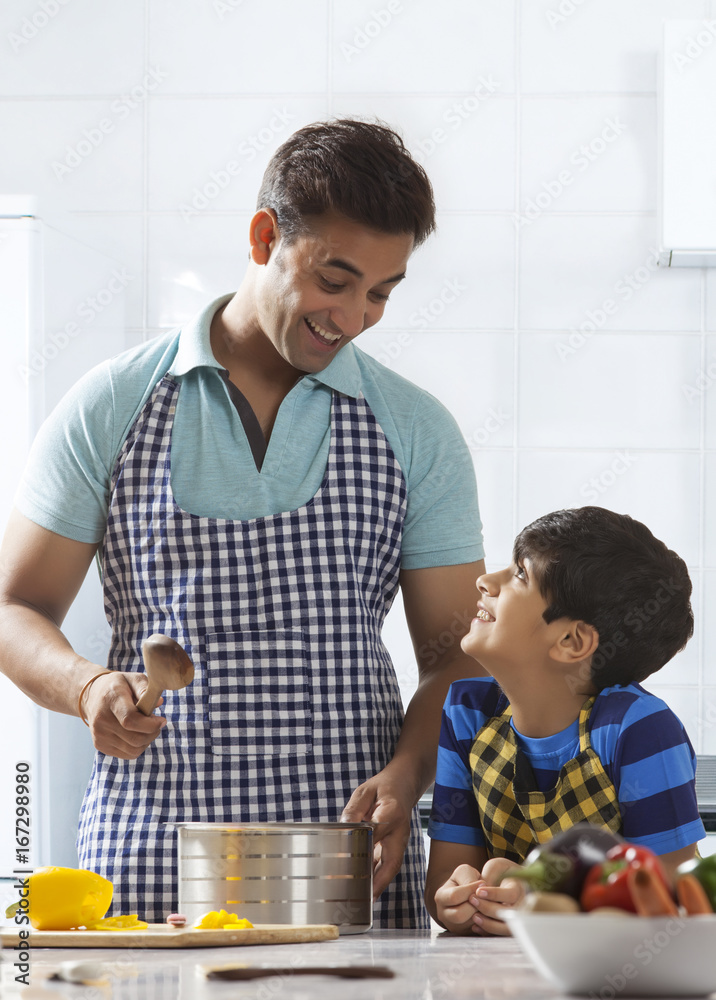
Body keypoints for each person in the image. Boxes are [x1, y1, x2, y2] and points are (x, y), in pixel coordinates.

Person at [0, 119, 486, 928]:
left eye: (381, 292)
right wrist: (87, 687)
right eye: (337, 279)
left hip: (345, 859)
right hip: (152, 855)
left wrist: (408, 776)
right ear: (266, 237)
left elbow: (456, 657)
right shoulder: (113, 404)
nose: (357, 316)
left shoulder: (414, 428)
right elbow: (14, 609)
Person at [425, 506, 705, 935]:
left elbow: (678, 902)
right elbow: (444, 885)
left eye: (520, 575)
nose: (485, 581)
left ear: (572, 641)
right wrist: (462, 899)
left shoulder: (640, 729)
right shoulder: (467, 713)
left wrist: (541, 908)